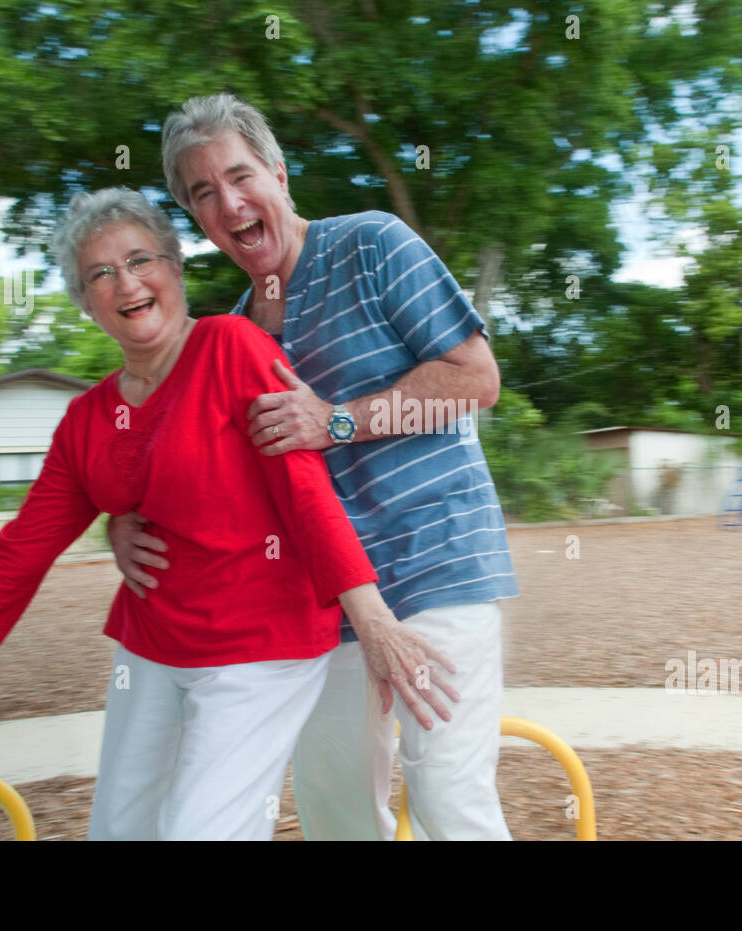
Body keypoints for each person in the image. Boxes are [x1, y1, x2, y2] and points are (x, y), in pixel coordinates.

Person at [0, 187, 457, 841]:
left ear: (173, 267)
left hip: (262, 643)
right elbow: (18, 551)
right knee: (120, 829)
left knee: (200, 830)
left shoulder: (233, 346)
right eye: (101, 273)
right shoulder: (87, 421)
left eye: (141, 259)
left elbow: (304, 489)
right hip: (151, 643)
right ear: (87, 304)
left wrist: (372, 619)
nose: (126, 282)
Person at [110, 93, 519, 840]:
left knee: (447, 796)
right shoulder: (230, 334)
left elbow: (474, 378)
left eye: (239, 176)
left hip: (438, 564)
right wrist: (123, 517)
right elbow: (201, 469)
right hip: (320, 605)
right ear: (196, 219)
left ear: (280, 173)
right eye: (203, 193)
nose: (229, 201)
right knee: (335, 812)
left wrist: (334, 421)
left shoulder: (372, 243)